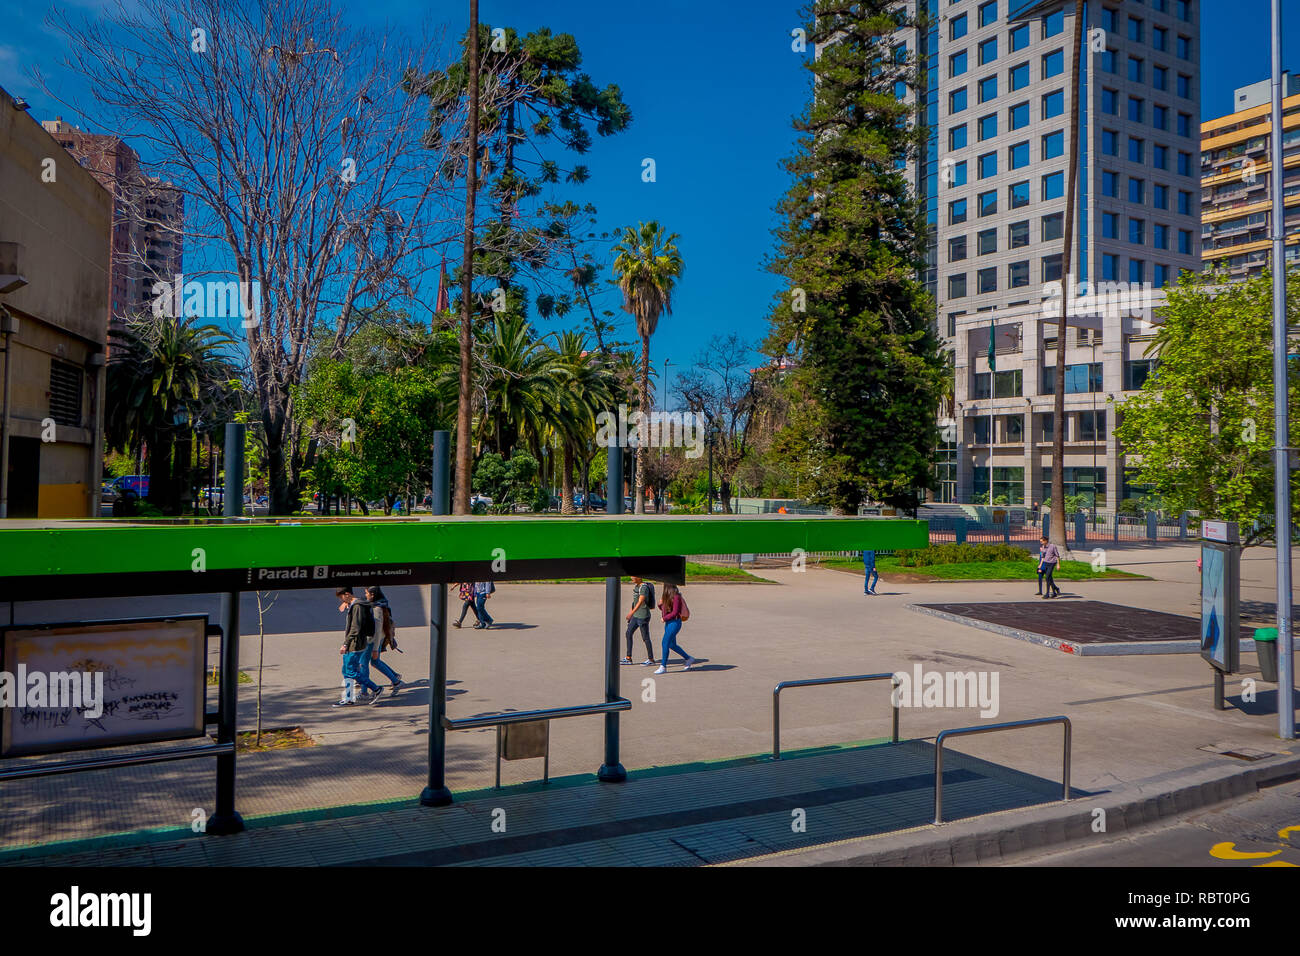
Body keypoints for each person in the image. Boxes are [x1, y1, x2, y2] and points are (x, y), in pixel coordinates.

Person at [334, 587, 382, 705]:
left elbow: (355, 628)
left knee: (351, 671)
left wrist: (345, 644)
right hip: (353, 643)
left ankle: (376, 689)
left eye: (341, 597)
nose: (341, 600)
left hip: (355, 644)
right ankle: (349, 698)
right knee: (346, 670)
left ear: (347, 594)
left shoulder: (357, 607)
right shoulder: (354, 605)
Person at [364, 585, 403, 694]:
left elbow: (377, 630)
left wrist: (375, 649)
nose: (365, 595)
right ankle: (395, 679)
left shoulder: (377, 609)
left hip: (375, 640)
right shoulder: (379, 604)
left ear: (373, 595)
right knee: (375, 662)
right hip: (378, 639)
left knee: (369, 663)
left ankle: (364, 692)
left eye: (367, 593)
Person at [654, 583, 697, 674]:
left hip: (675, 623)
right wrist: (660, 604)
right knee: (672, 645)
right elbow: (665, 610)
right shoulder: (667, 596)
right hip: (669, 623)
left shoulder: (676, 596)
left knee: (665, 642)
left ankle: (663, 666)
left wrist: (664, 618)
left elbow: (675, 612)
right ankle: (688, 658)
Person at [622, 576, 657, 665]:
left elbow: (640, 601)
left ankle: (651, 659)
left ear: (639, 577)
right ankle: (628, 658)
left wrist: (631, 613)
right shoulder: (637, 586)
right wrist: (631, 612)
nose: (631, 578)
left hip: (643, 616)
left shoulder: (643, 587)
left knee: (645, 637)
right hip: (636, 615)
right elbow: (635, 601)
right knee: (628, 633)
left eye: (633, 576)